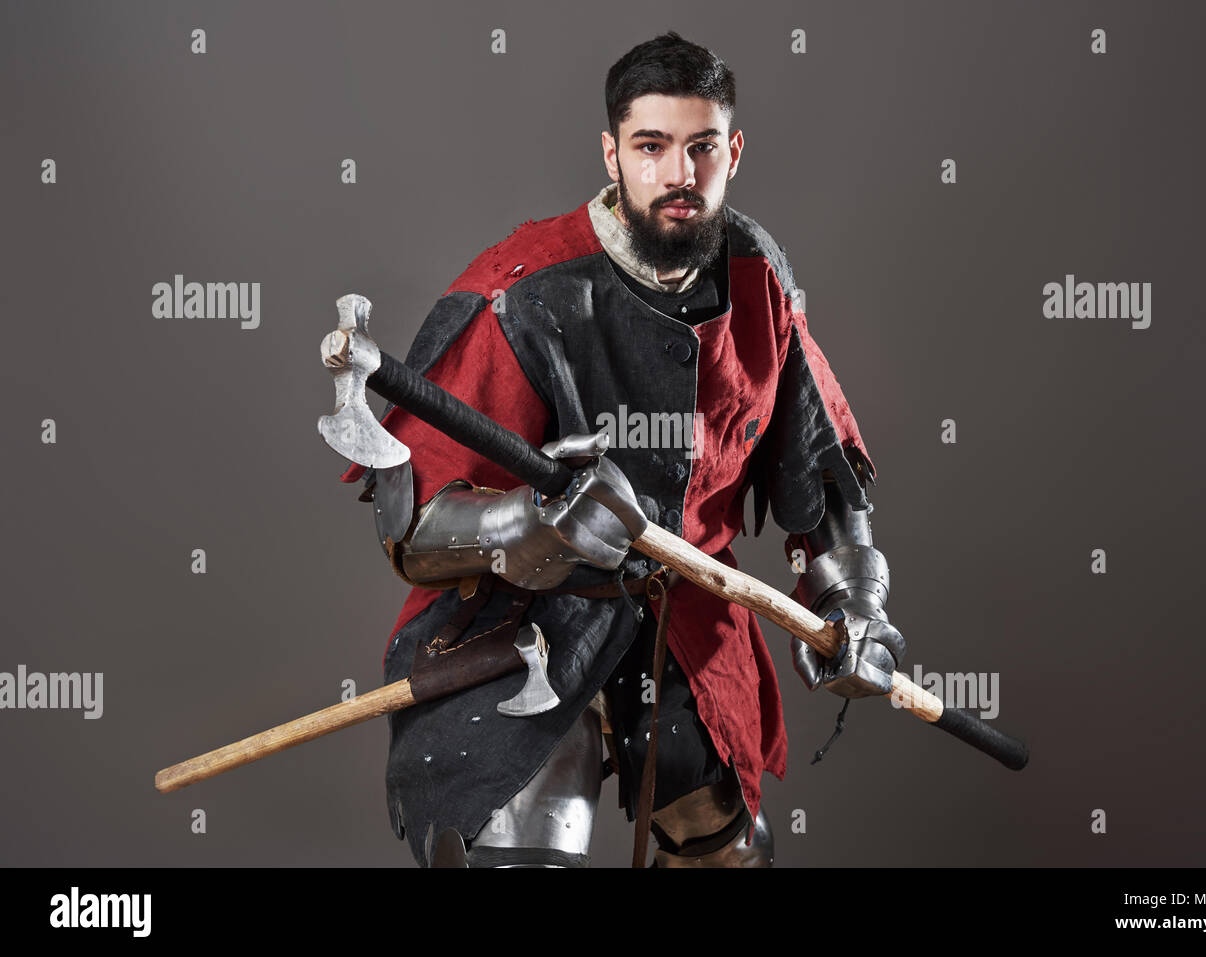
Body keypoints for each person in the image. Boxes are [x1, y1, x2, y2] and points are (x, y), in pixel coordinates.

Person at [336, 31, 907, 867]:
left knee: (726, 850)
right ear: (612, 153)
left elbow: (824, 470)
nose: (679, 175)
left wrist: (854, 602)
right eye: (652, 147)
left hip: (684, 615)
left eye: (701, 148)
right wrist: (526, 526)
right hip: (523, 620)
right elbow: (412, 518)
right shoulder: (524, 288)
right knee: (517, 845)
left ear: (732, 151)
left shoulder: (759, 276)